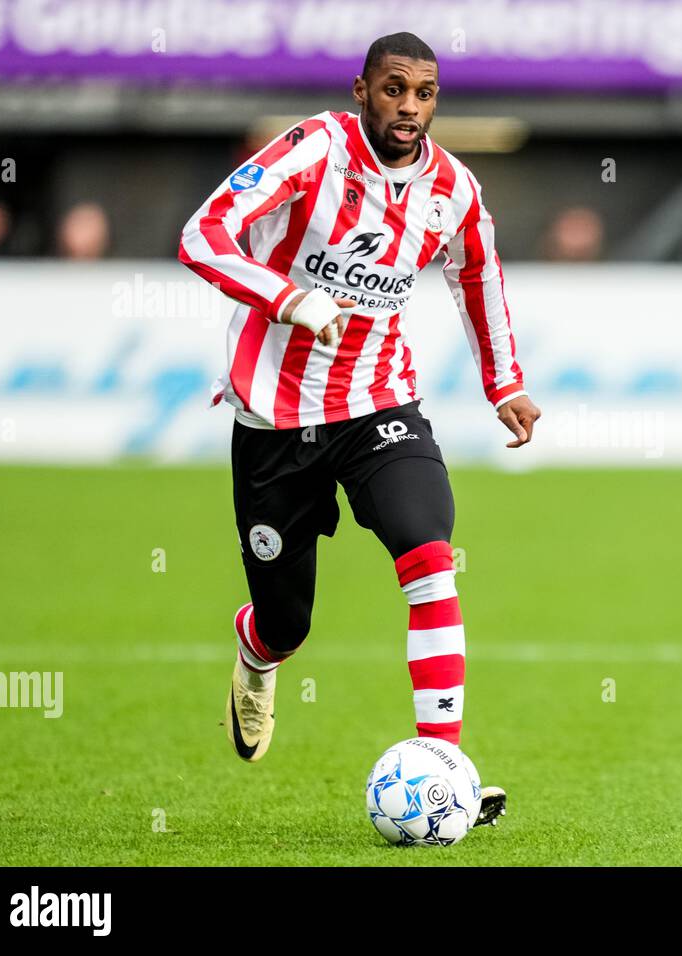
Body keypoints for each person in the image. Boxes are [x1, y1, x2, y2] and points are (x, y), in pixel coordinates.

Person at [177, 31, 540, 830]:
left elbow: (479, 274)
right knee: (287, 623)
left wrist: (503, 381)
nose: (410, 107)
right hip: (274, 415)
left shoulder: (453, 188)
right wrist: (289, 297)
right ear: (361, 90)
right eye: (394, 89)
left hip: (379, 405)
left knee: (429, 555)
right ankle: (255, 650)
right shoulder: (314, 149)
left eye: (425, 93)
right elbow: (203, 232)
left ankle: (446, 768)